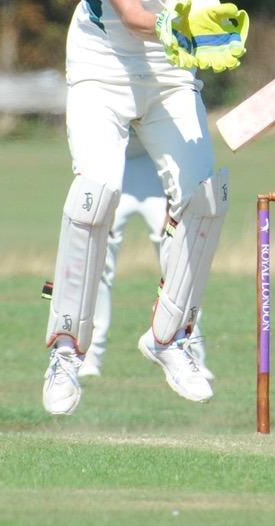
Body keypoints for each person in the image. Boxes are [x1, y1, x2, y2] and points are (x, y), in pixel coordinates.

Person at [41, 0, 246, 416]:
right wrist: (178, 30)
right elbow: (130, 10)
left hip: (170, 68)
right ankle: (65, 350)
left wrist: (209, 24)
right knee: (95, 194)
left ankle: (170, 335)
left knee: (205, 197)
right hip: (103, 62)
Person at [78, 132, 213, 382]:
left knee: (180, 269)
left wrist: (175, 196)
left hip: (157, 173)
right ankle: (89, 355)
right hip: (114, 172)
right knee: (97, 267)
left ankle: (192, 353)